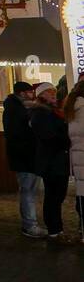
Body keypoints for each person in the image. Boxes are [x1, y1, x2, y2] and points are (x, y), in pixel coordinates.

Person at [27, 81, 71, 240]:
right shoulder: (40, 113)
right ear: (41, 95)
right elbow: (48, 137)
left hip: (58, 160)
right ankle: (54, 230)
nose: (53, 94)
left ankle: (57, 229)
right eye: (49, 92)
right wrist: (67, 140)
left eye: (54, 91)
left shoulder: (52, 111)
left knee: (58, 195)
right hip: (51, 161)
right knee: (54, 196)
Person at [3, 80, 44, 237]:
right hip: (25, 156)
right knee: (28, 191)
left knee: (29, 191)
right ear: (22, 93)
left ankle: (29, 223)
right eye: (29, 92)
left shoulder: (16, 107)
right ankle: (29, 225)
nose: (32, 95)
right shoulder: (16, 110)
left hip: (24, 156)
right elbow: (19, 133)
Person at [64, 76, 84, 238]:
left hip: (78, 156)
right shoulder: (82, 107)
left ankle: (82, 228)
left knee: (82, 194)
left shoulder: (74, 105)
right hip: (82, 155)